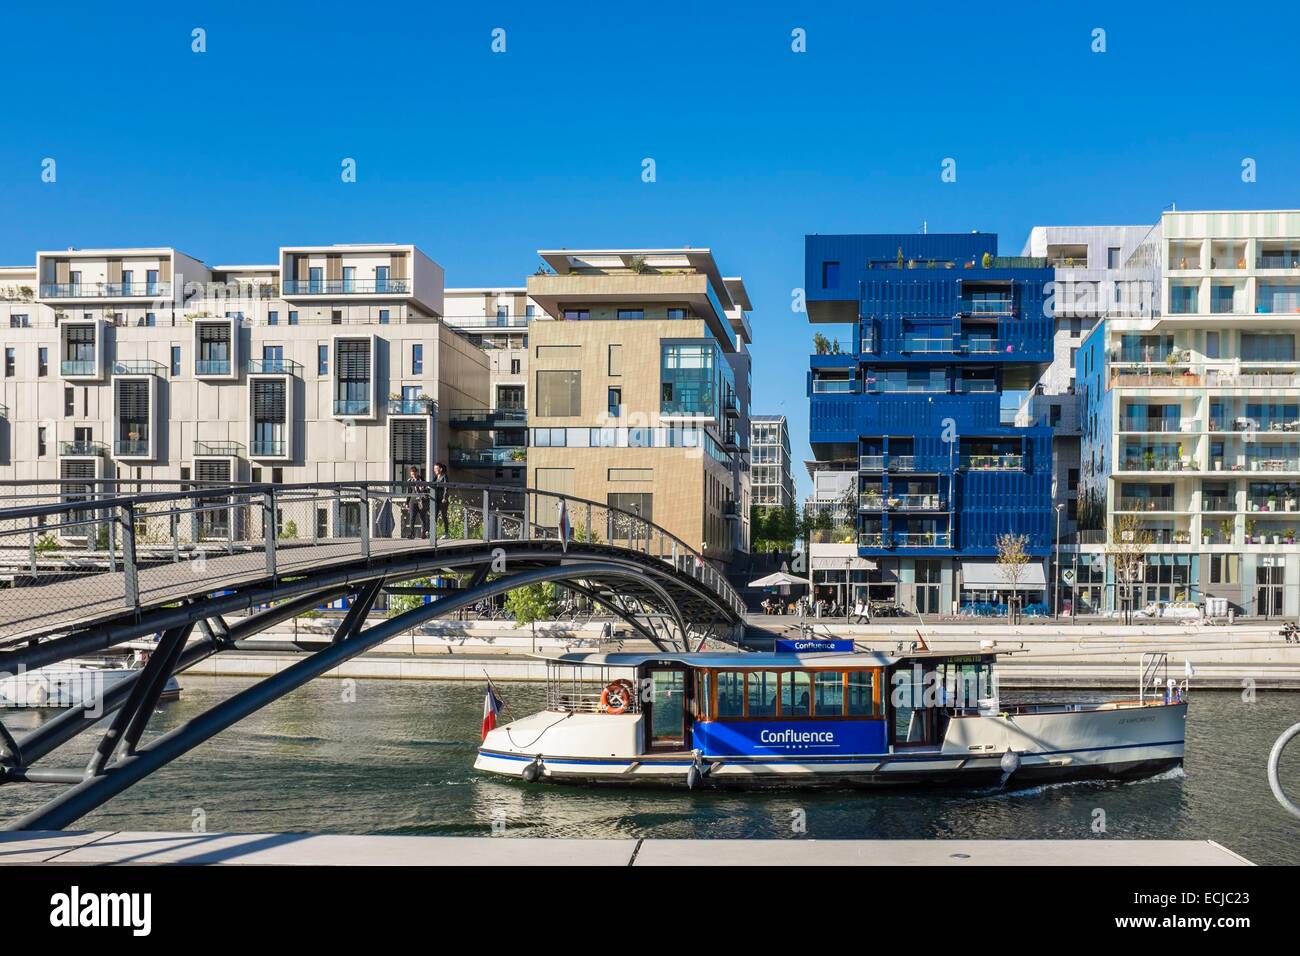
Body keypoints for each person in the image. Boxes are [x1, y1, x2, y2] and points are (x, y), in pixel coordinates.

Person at [403, 466, 428, 539]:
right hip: (412, 501)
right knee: (412, 518)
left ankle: (423, 533)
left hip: (420, 501)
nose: (413, 475)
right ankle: (411, 533)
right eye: (412, 473)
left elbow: (426, 489)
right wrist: (407, 502)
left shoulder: (421, 479)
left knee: (422, 517)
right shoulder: (409, 480)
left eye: (414, 473)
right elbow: (409, 492)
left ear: (417, 473)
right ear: (410, 474)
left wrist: (422, 489)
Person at [431, 461, 450, 538]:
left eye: (436, 468)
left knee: (443, 516)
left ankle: (446, 533)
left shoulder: (444, 476)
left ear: (441, 469)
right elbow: (431, 485)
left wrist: (445, 498)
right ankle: (433, 532)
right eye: (434, 468)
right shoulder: (435, 477)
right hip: (436, 500)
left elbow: (446, 487)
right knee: (434, 516)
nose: (434, 470)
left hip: (442, 500)